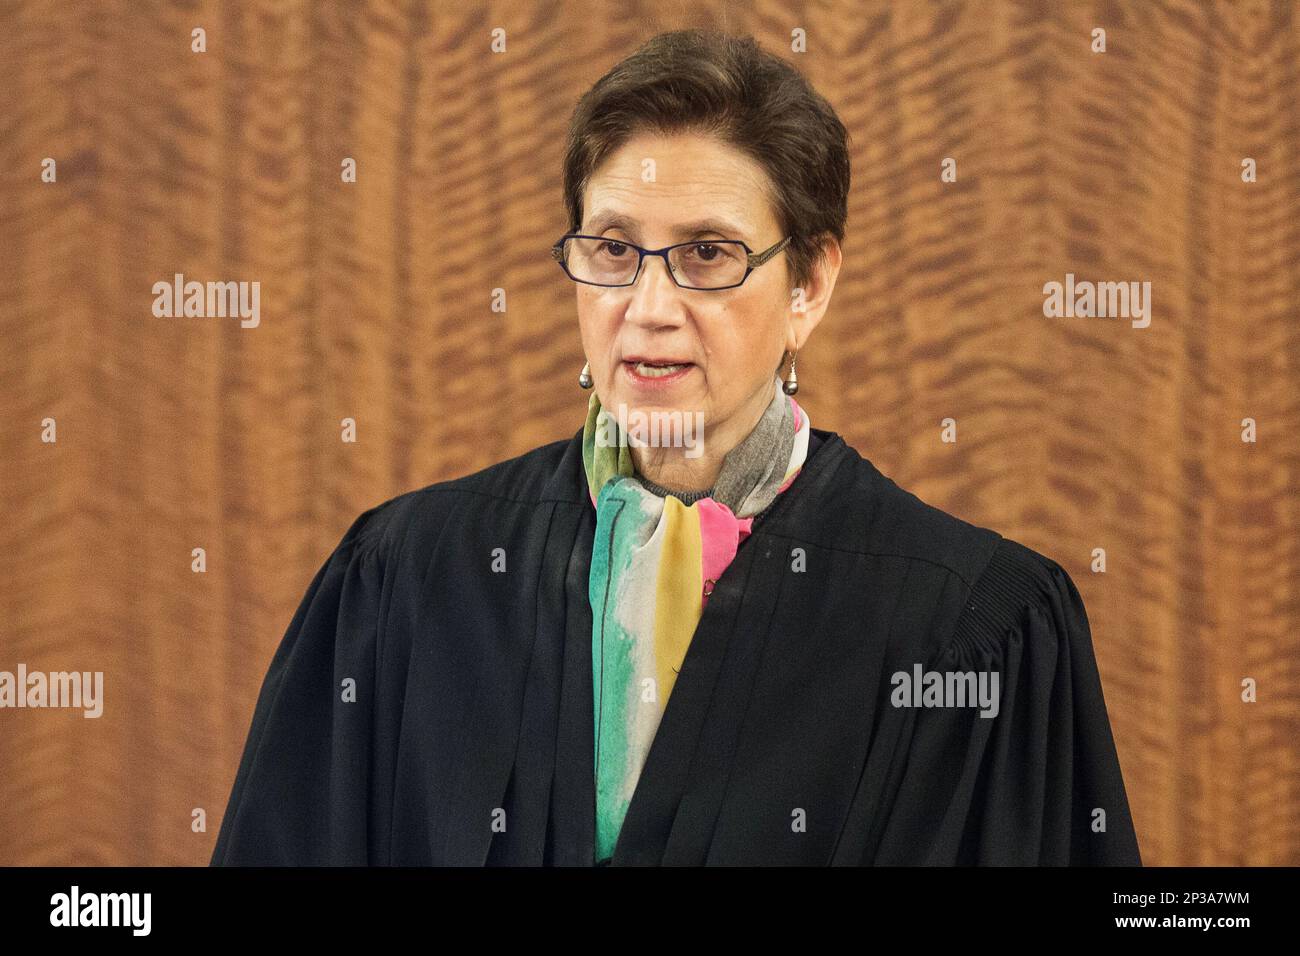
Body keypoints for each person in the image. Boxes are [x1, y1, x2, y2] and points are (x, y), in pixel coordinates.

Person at [210, 28, 1141, 866]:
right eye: (614, 250)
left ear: (810, 283)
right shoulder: (405, 581)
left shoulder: (974, 628)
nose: (648, 310)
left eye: (708, 254)